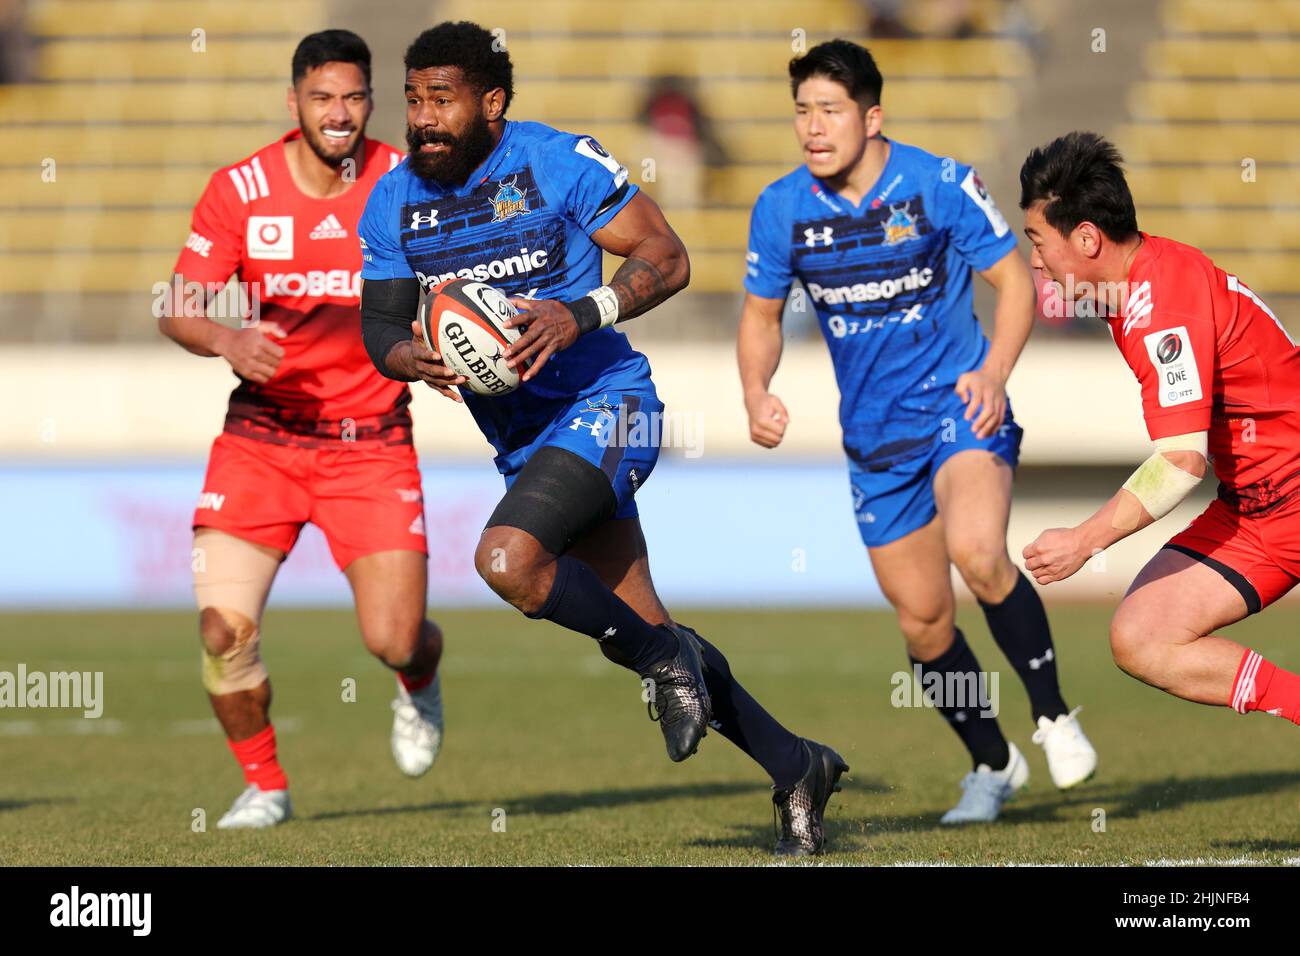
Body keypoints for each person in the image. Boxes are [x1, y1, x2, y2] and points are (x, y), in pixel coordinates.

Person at [358, 20, 846, 856]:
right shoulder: (394, 199)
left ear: (492, 102)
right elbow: (380, 327)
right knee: (645, 622)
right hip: (529, 441)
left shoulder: (556, 163)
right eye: (412, 100)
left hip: (611, 404)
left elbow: (668, 255)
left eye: (442, 99)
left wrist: (577, 312)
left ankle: (667, 667)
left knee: (507, 560)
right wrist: (415, 357)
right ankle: (798, 763)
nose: (423, 117)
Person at [737, 39, 1097, 824]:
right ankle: (993, 763)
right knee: (925, 622)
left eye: (829, 110)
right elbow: (761, 317)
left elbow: (1013, 283)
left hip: (958, 409)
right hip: (875, 441)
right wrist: (755, 388)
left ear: (872, 116)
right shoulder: (782, 208)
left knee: (977, 552)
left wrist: (995, 372)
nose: (812, 127)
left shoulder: (936, 184)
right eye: (802, 111)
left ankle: (1053, 714)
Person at [160, 30, 445, 830]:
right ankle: (266, 786)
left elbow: (455, 291)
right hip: (262, 441)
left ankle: (419, 679)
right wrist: (227, 339)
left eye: (354, 98)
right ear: (295, 105)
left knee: (393, 640)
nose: (339, 113)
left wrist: (447, 349)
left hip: (372, 444)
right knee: (223, 630)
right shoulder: (241, 188)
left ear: (371, 105)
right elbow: (178, 305)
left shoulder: (406, 181)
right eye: (323, 98)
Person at [1020, 132, 1300, 736]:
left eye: (1039, 241)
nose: (1036, 261)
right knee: (1143, 637)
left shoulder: (1161, 304)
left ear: (1087, 237)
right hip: (1256, 511)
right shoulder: (1134, 287)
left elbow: (1179, 463)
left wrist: (1085, 540)